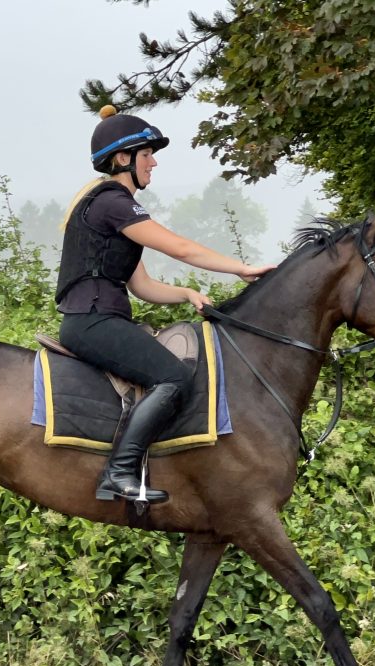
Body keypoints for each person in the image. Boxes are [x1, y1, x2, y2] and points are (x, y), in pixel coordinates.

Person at [57, 105, 275, 504]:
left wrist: (186, 294)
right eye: (147, 155)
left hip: (98, 317)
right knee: (173, 377)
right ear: (124, 159)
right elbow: (181, 248)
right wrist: (240, 268)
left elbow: (141, 285)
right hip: (92, 320)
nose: (154, 163)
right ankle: (118, 474)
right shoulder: (113, 202)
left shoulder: (113, 208)